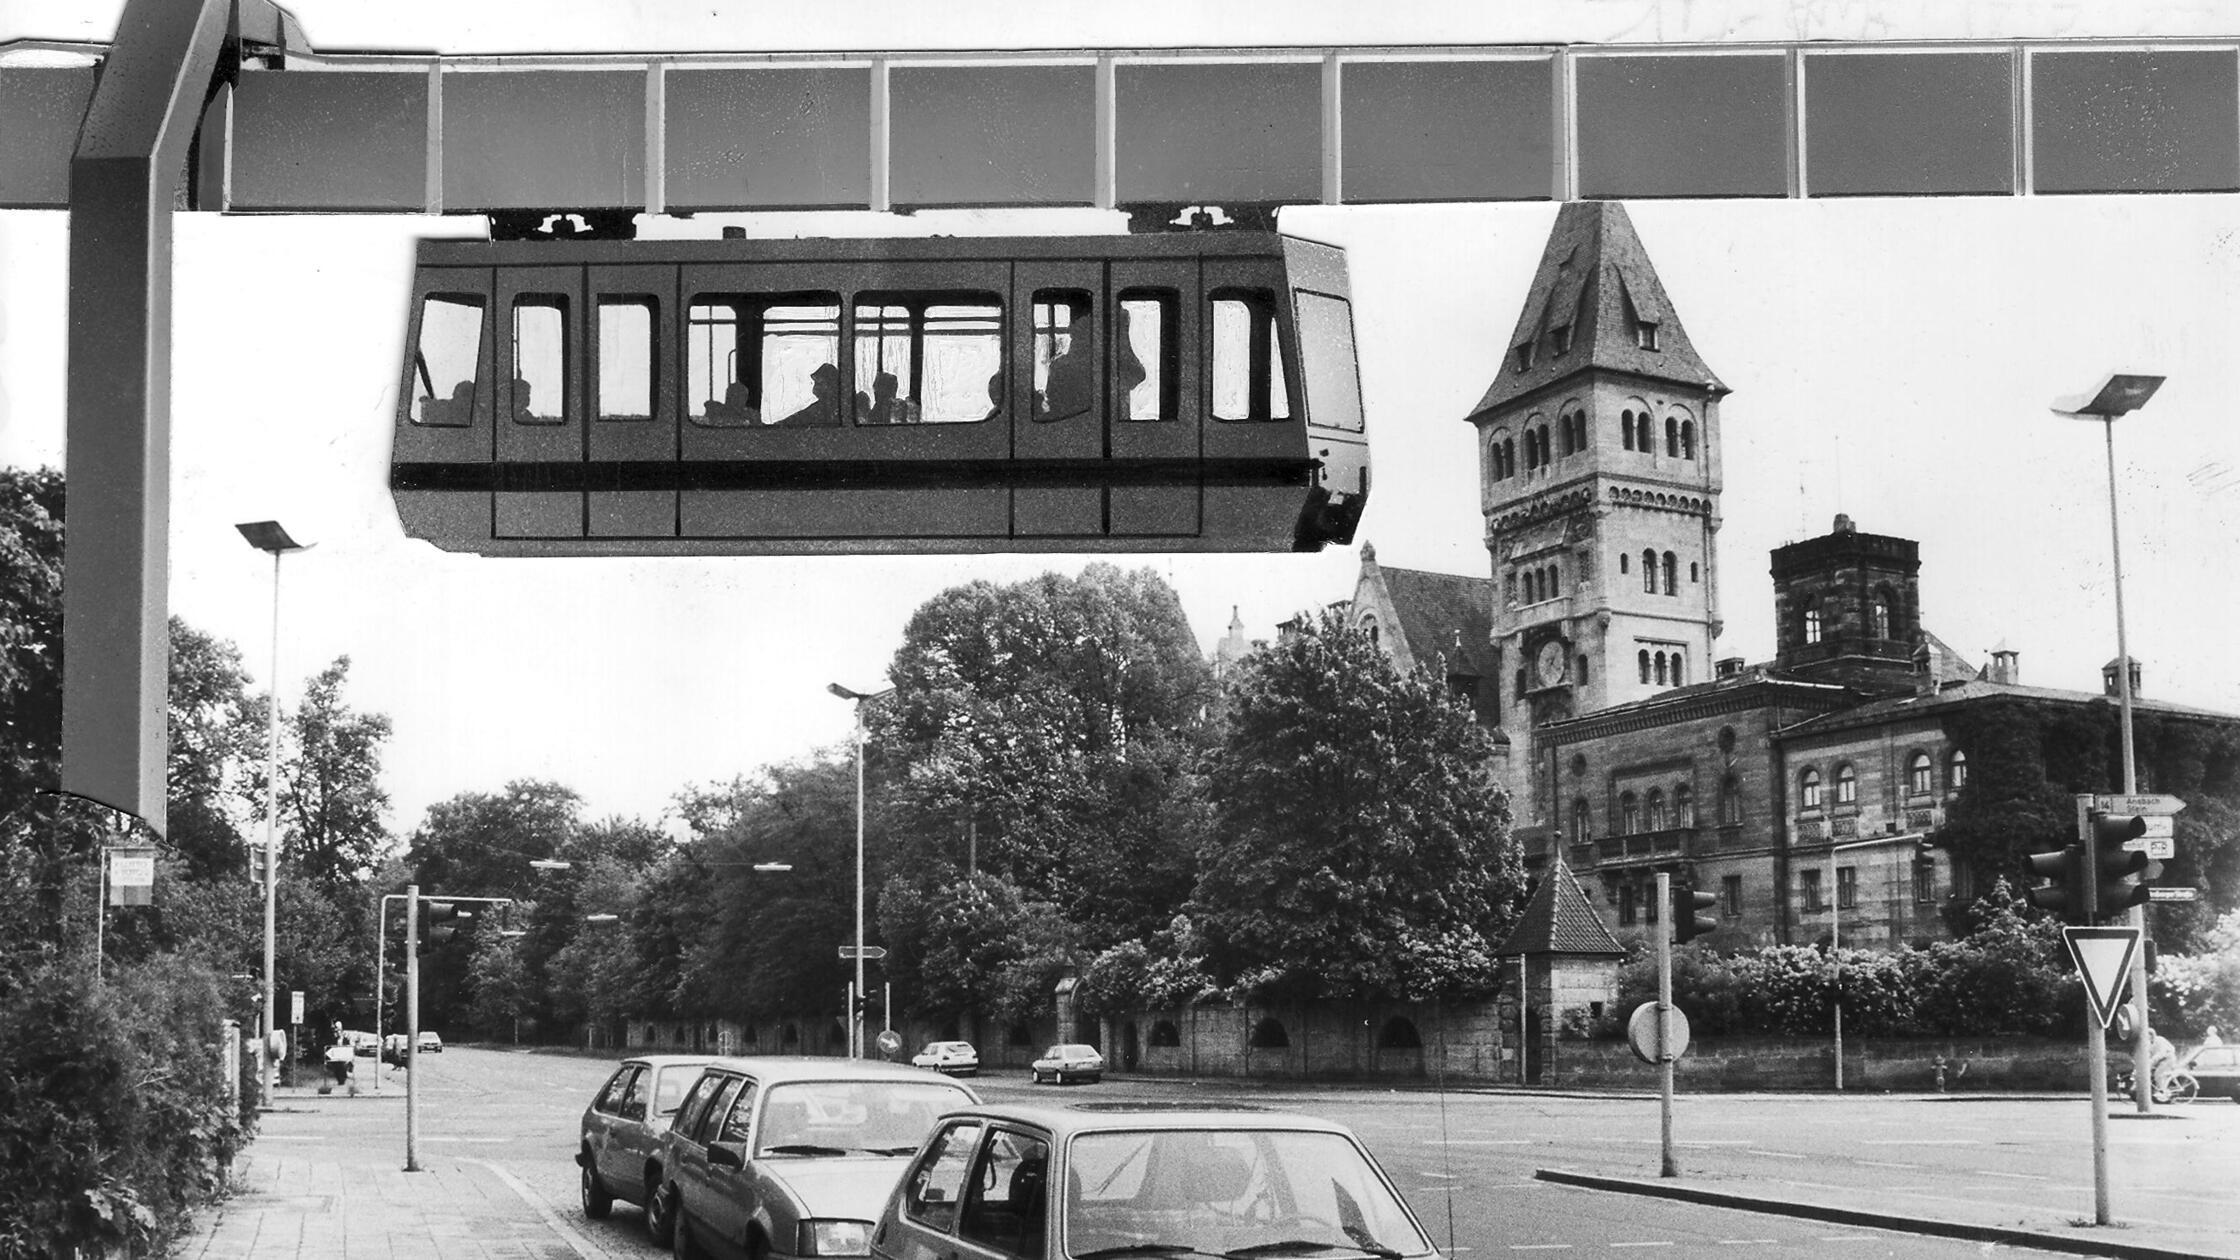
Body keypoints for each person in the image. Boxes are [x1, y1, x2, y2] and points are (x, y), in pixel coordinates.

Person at [776, 363, 840, 427]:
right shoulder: (821, 407)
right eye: (816, 383)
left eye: (819, 383)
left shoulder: (827, 407)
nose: (815, 389)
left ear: (830, 385)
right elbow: (800, 418)